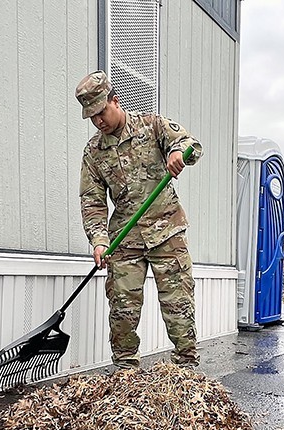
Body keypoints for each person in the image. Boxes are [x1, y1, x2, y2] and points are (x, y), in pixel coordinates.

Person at [74, 70, 203, 370]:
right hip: (125, 240)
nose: (98, 121)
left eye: (101, 112)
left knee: (178, 308)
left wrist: (177, 152)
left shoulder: (152, 126)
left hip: (167, 234)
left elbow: (192, 145)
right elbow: (91, 202)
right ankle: (125, 376)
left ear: (114, 101)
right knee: (122, 313)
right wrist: (99, 241)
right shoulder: (93, 153)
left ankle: (187, 374)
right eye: (91, 117)